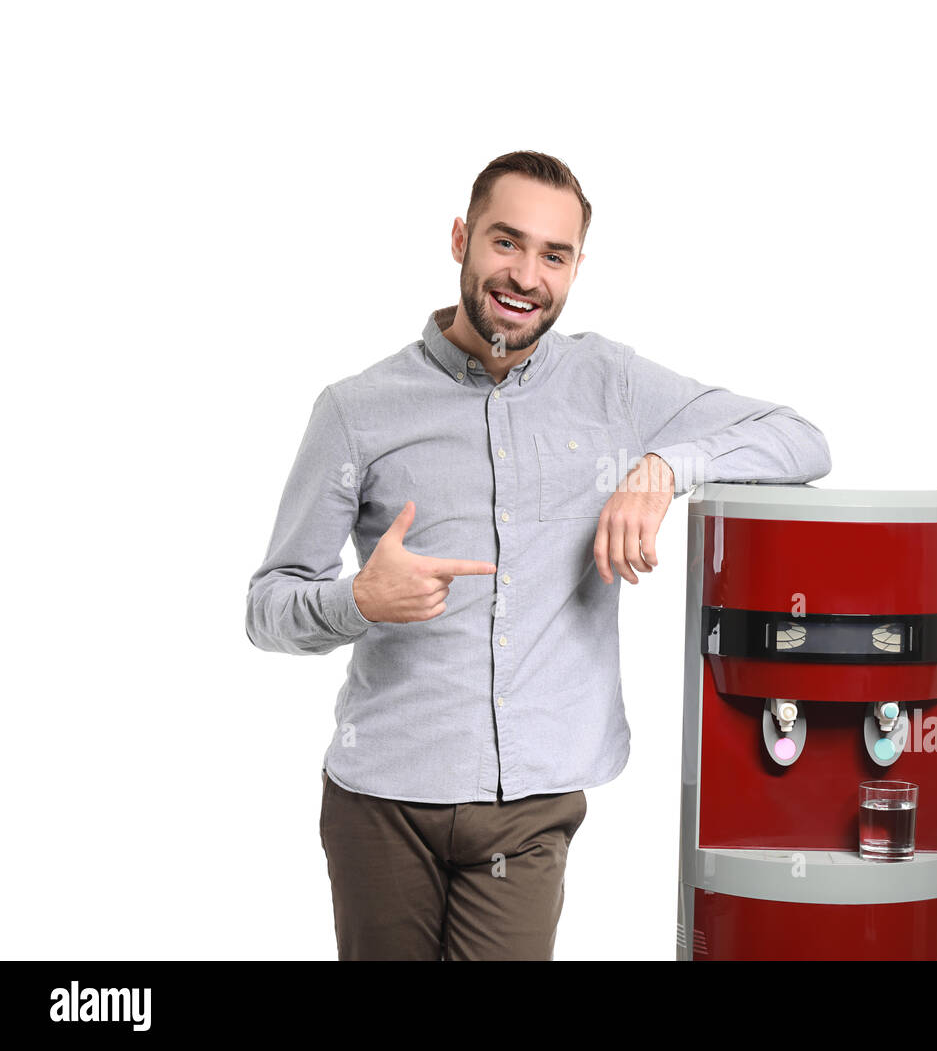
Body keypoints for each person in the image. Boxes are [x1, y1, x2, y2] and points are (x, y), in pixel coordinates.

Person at [244, 150, 832, 960]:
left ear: (577, 266)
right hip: (380, 801)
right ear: (461, 238)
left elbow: (800, 439)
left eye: (553, 255)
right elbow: (267, 606)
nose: (525, 274)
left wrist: (664, 468)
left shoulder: (611, 384)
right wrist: (359, 601)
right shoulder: (356, 411)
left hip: (527, 808)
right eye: (505, 243)